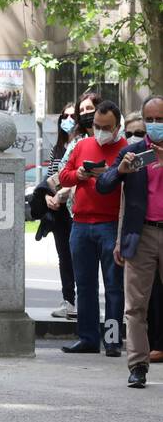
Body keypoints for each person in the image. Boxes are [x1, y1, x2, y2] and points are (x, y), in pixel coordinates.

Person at [96, 95, 163, 387]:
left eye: (160, 119)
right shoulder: (134, 153)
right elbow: (103, 184)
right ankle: (138, 365)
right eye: (150, 119)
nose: (154, 125)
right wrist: (120, 170)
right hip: (141, 235)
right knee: (135, 306)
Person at [59, 99, 127, 355]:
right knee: (84, 286)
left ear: (117, 126)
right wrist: (79, 175)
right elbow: (63, 176)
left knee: (113, 287)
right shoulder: (82, 145)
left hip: (110, 225)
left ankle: (112, 340)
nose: (100, 131)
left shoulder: (126, 149)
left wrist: (112, 174)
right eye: (97, 125)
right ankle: (88, 338)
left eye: (106, 127)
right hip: (80, 224)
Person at [37, 102, 82, 319]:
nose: (68, 120)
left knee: (79, 256)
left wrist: (60, 195)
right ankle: (68, 301)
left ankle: (82, 301)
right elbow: (49, 178)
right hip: (58, 212)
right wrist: (47, 196)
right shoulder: (57, 148)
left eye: (73, 116)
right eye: (65, 116)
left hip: (75, 209)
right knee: (64, 256)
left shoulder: (82, 144)